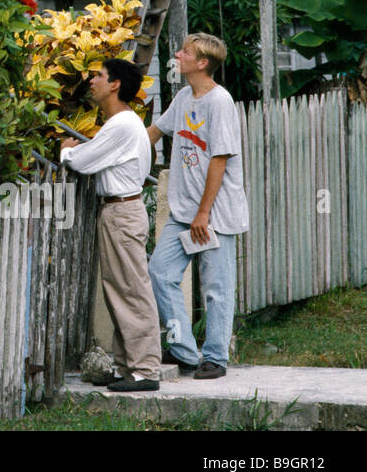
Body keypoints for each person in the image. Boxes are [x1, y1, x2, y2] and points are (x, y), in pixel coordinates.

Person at [146, 32, 246, 380]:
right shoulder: (184, 97)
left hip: (214, 215)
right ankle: (185, 351)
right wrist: (116, 145)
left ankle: (215, 357)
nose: (178, 54)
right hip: (182, 211)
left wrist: (204, 213)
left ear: (202, 62)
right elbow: (155, 132)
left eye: (184, 52)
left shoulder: (220, 103)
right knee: (160, 272)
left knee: (216, 287)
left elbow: (219, 160)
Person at [60, 57, 162, 392]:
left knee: (131, 290)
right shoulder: (124, 123)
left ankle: (145, 371)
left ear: (115, 84)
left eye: (100, 76)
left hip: (122, 212)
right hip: (120, 212)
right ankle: (128, 367)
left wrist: (66, 152)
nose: (93, 81)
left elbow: (85, 162)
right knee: (120, 289)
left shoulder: (121, 124)